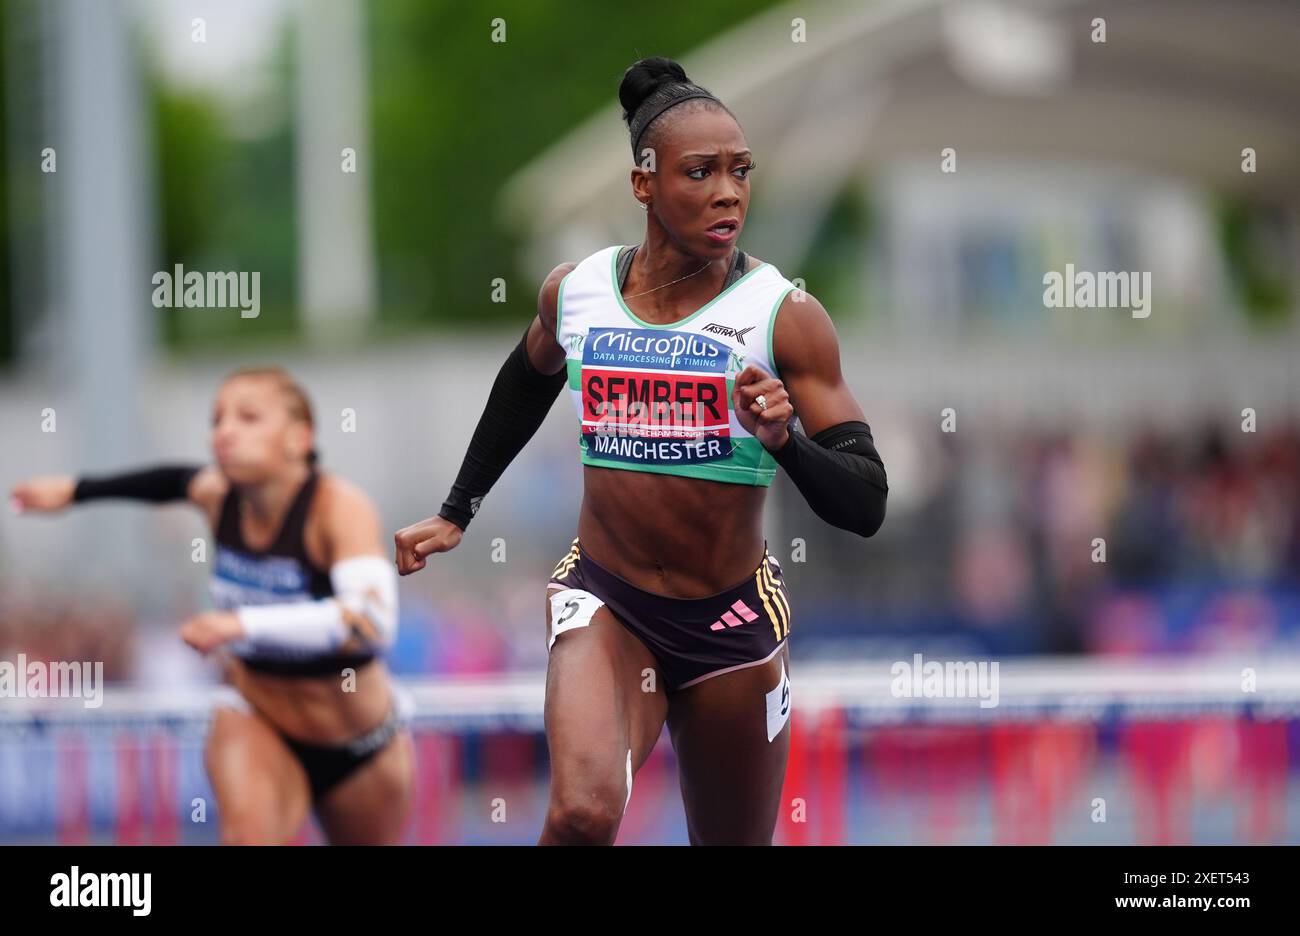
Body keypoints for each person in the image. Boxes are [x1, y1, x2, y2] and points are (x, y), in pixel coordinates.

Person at [394, 56, 887, 845]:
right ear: (644, 185)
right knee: (582, 814)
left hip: (729, 621)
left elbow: (866, 503)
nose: (729, 192)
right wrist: (458, 510)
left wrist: (785, 442)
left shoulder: (785, 317)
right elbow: (526, 379)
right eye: (701, 173)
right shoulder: (576, 290)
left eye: (741, 172)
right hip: (608, 599)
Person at [11, 366, 414, 844]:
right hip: (258, 716)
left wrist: (240, 625)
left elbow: (372, 622)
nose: (224, 432)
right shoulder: (218, 497)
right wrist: (76, 491)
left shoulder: (337, 507)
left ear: (300, 437)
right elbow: (172, 480)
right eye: (217, 419)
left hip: (359, 740)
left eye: (248, 418)